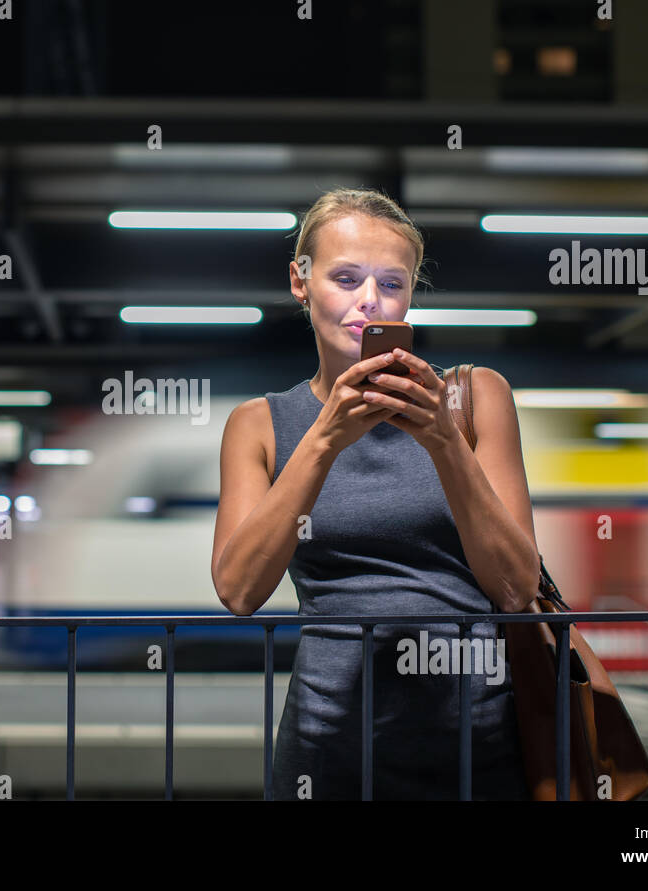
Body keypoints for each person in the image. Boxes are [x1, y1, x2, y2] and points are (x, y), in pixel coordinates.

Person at [211, 187, 540, 800]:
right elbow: (238, 590)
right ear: (299, 281)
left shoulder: (475, 399)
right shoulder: (259, 424)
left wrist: (443, 441)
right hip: (327, 740)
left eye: (392, 283)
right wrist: (323, 440)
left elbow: (518, 586)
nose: (370, 301)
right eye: (345, 277)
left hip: (475, 736)